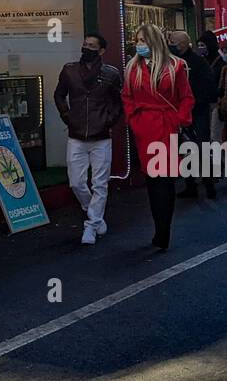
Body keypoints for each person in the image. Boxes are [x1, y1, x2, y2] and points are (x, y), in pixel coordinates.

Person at [122, 22, 194, 252]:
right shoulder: (132, 68)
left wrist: (178, 120)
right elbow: (127, 97)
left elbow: (186, 97)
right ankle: (159, 228)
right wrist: (134, 120)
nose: (138, 45)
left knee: (164, 180)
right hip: (144, 129)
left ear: (153, 41)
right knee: (153, 181)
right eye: (137, 41)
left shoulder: (176, 66)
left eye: (142, 40)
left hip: (165, 127)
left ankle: (163, 230)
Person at [53, 32, 123, 244]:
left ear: (101, 50)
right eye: (85, 44)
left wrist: (108, 120)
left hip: (101, 135)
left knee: (100, 183)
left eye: (92, 45)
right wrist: (67, 115)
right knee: (76, 182)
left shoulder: (111, 74)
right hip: (76, 134)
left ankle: (91, 225)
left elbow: (118, 102)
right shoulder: (69, 70)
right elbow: (59, 94)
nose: (87, 48)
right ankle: (94, 213)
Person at [170, 31, 217, 199]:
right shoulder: (172, 62)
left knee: (201, 147)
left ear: (182, 44)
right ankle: (190, 185)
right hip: (179, 113)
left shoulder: (198, 62)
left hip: (198, 112)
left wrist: (196, 104)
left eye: (173, 41)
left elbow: (208, 87)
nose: (171, 44)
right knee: (185, 149)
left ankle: (208, 184)